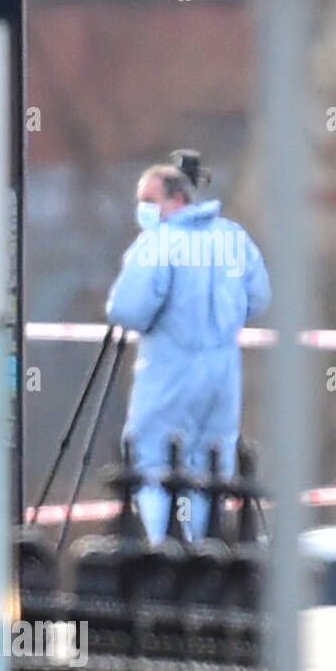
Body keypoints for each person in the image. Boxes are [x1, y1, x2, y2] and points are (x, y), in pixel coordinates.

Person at [106, 156, 270, 542]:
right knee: (210, 464)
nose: (143, 210)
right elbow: (259, 297)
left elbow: (127, 309)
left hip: (169, 368)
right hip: (223, 371)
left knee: (153, 463)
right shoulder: (233, 238)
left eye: (150, 199)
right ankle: (203, 548)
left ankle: (162, 550)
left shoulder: (159, 244)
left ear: (176, 200)